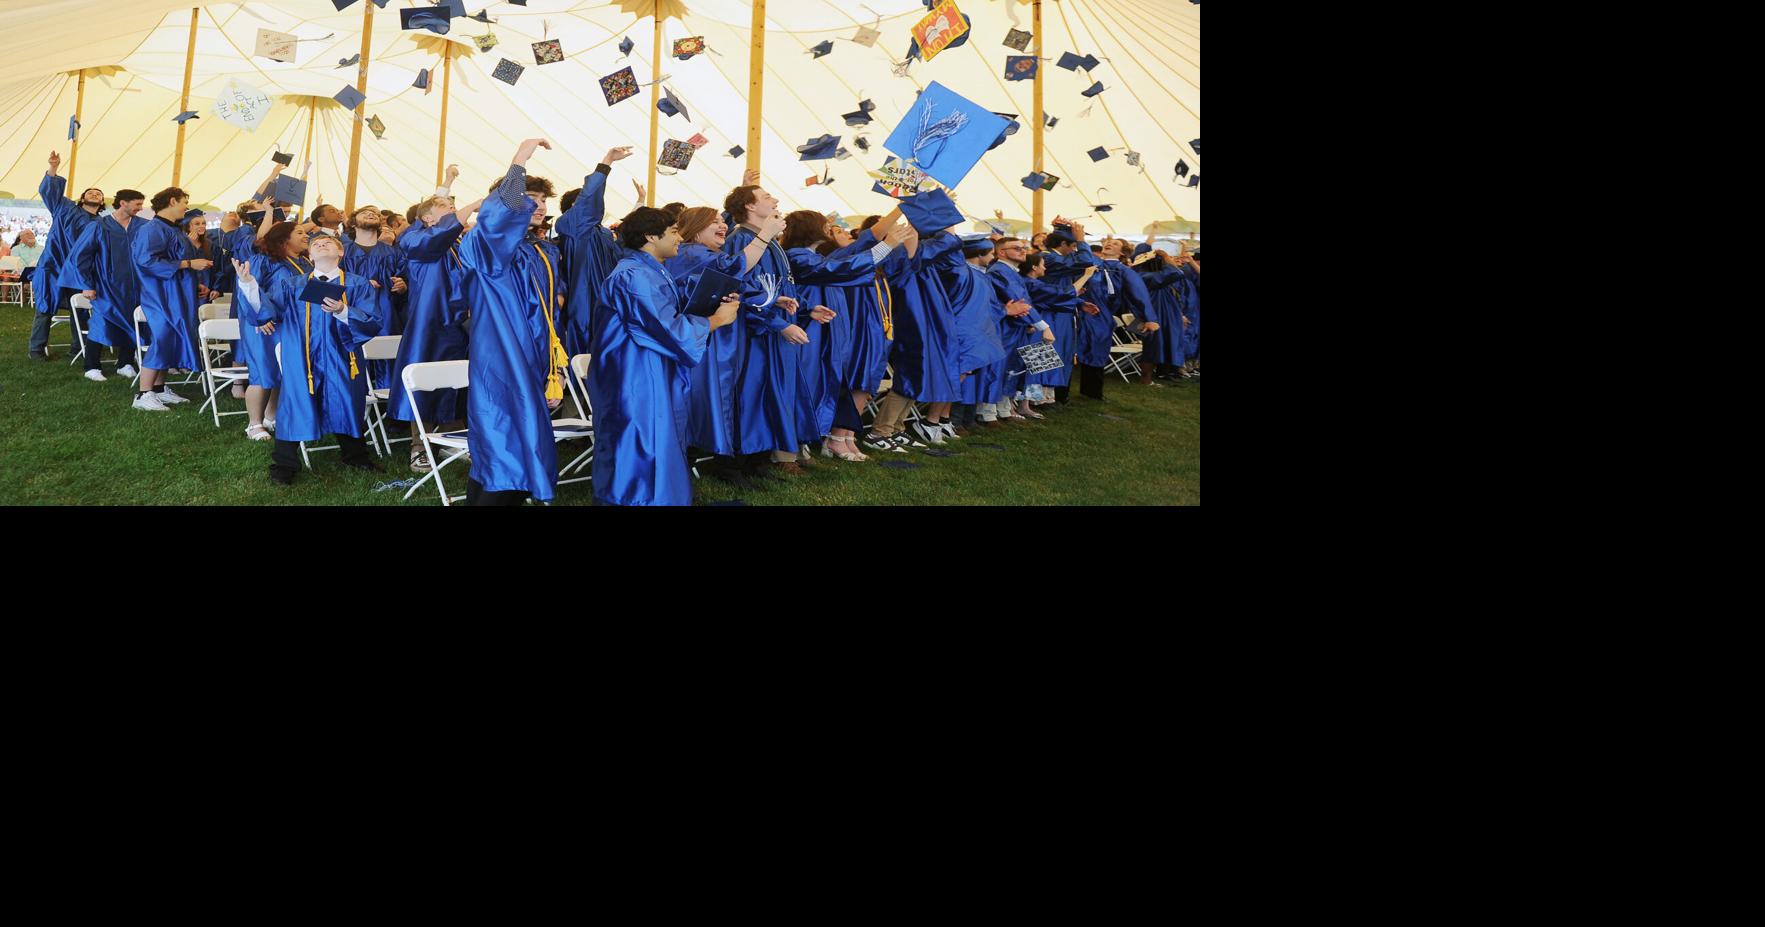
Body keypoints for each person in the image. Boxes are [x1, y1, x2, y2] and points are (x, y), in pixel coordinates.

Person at [589, 207, 742, 505]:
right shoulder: (634, 275)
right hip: (634, 378)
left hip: (651, 371)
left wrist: (713, 302)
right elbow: (666, 328)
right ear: (650, 236)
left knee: (659, 442)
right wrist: (716, 320)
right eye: (673, 231)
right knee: (640, 445)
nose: (680, 238)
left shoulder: (650, 270)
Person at [457, 138, 567, 505]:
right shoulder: (486, 245)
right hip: (503, 355)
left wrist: (553, 369)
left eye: (543, 199)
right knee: (508, 437)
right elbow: (494, 221)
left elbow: (547, 315)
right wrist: (519, 161)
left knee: (512, 439)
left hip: (534, 356)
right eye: (529, 197)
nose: (539, 205)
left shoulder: (538, 249)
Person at [234, 231, 381, 485]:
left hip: (342, 356)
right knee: (295, 402)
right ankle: (284, 464)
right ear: (310, 256)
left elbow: (372, 320)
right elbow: (267, 312)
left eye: (327, 243)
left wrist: (343, 310)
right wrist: (248, 284)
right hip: (301, 357)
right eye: (316, 244)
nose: (321, 245)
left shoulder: (357, 284)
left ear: (340, 252)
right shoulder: (292, 285)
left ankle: (355, 456)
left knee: (345, 399)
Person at [777, 208, 908, 462]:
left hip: (825, 332)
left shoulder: (814, 257)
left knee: (821, 385)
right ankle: (790, 447)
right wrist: (887, 246)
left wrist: (902, 211)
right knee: (806, 386)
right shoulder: (797, 257)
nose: (830, 227)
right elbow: (842, 267)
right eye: (825, 224)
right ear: (809, 229)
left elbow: (857, 250)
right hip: (809, 333)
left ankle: (804, 441)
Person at [664, 203, 780, 484]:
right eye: (714, 221)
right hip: (698, 344)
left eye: (722, 220)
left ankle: (688, 473)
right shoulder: (691, 252)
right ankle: (680, 476)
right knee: (697, 406)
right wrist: (765, 235)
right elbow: (734, 266)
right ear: (695, 228)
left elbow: (734, 283)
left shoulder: (703, 254)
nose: (723, 225)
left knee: (708, 404)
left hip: (715, 342)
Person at [389, 192, 474, 472]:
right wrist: (475, 204)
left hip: (458, 325)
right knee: (422, 382)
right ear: (427, 218)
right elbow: (438, 236)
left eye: (454, 206)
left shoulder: (458, 245)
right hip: (429, 325)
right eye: (447, 207)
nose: (455, 210)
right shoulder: (414, 239)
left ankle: (452, 437)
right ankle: (419, 446)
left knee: (456, 381)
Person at [130, 188, 210, 410]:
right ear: (172, 201)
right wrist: (189, 264)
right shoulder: (152, 229)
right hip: (160, 293)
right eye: (184, 202)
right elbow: (146, 261)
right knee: (163, 337)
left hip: (178, 292)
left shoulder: (173, 229)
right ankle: (143, 394)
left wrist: (195, 283)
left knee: (172, 337)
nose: (186, 207)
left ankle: (158, 388)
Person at [555, 146, 633, 359]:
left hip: (606, 301)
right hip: (583, 301)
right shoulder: (571, 226)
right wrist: (607, 162)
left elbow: (620, 253)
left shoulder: (603, 233)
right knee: (584, 354)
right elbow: (588, 199)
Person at [62, 189, 144, 381]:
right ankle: (91, 366)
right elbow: (80, 256)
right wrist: (86, 284)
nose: (140, 208)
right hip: (105, 285)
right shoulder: (99, 225)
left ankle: (125, 363)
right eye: (137, 204)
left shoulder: (142, 226)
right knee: (101, 323)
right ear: (123, 203)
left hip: (134, 286)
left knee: (131, 322)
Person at [28, 150, 102, 361]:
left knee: (80, 309)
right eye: (91, 192)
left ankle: (79, 348)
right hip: (53, 265)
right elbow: (50, 192)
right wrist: (53, 167)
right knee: (45, 307)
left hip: (80, 271)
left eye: (98, 193)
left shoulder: (102, 224)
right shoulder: (65, 208)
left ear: (102, 201)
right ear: (82, 198)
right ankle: (36, 350)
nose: (95, 194)